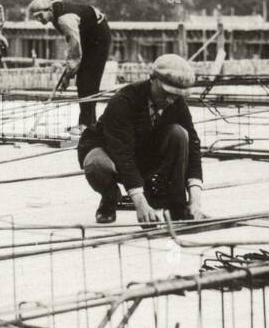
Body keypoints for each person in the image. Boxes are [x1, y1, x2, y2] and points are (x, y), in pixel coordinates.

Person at [76, 54, 207, 224]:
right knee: (95, 164)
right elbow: (122, 152)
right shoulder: (124, 100)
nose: (169, 100)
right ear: (152, 79)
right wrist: (140, 202)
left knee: (180, 134)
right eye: (166, 93)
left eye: (175, 96)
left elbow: (193, 147)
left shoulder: (176, 103)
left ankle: (176, 205)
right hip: (110, 153)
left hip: (142, 153)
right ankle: (110, 198)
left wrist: (195, 200)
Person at [27, 0, 112, 129]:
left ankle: (87, 125)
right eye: (35, 17)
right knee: (83, 81)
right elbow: (72, 45)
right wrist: (69, 69)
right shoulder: (54, 10)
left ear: (48, 10)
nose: (39, 20)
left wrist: (68, 74)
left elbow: (75, 49)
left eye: (40, 15)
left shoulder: (63, 20)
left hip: (98, 38)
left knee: (87, 81)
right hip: (87, 37)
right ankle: (89, 124)